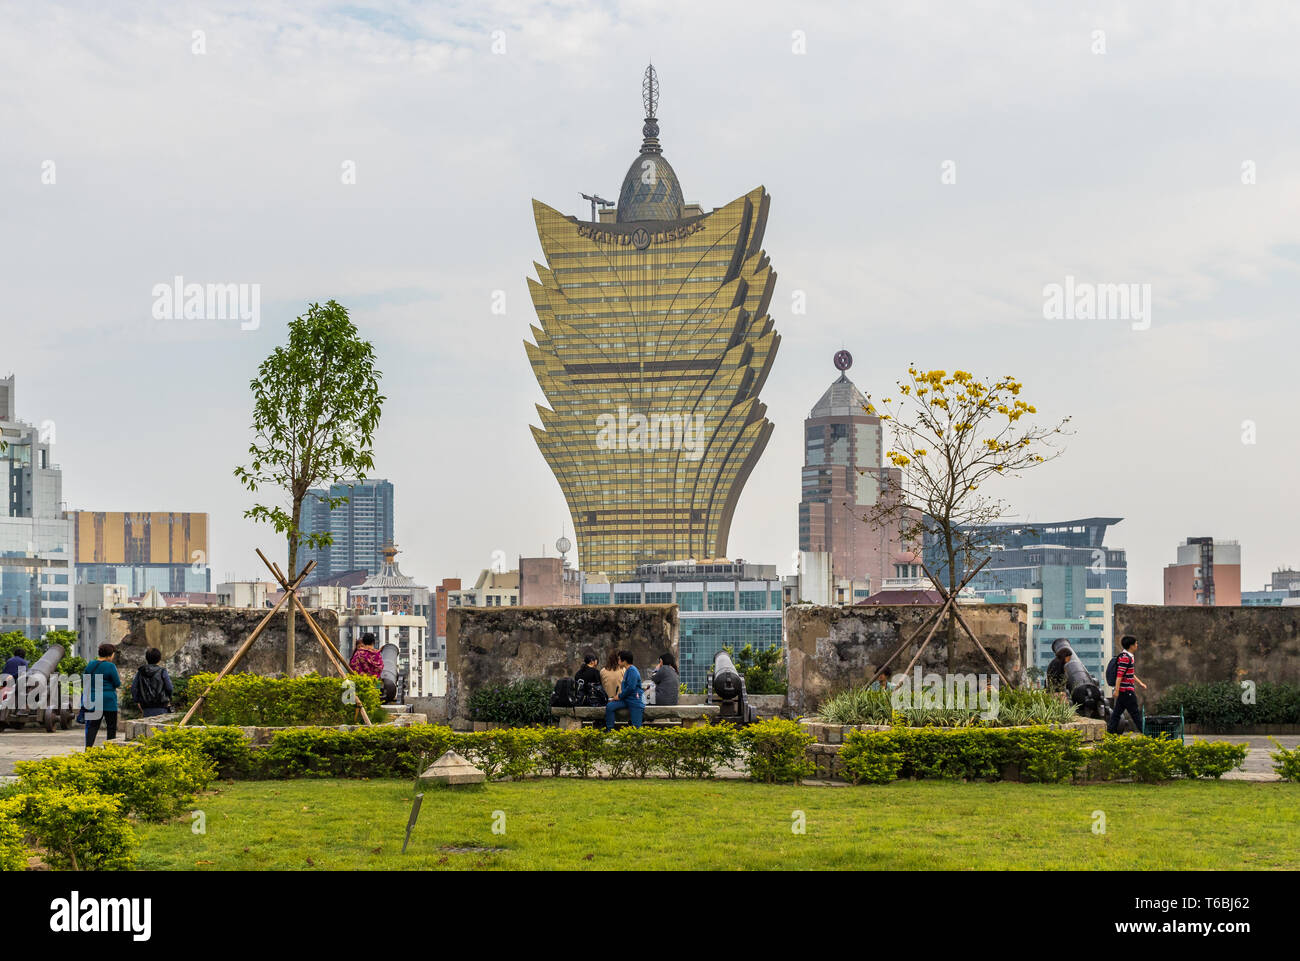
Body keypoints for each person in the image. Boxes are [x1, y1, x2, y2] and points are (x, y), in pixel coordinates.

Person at [82, 644, 122, 749]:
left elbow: (85, 682)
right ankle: (110, 750)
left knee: (93, 727)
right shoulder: (110, 666)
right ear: (109, 655)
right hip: (109, 701)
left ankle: (88, 749)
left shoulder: (90, 664)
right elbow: (117, 683)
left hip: (94, 699)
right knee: (111, 727)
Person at [1107, 634, 1147, 734]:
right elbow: (1119, 675)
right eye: (1136, 643)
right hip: (1126, 691)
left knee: (1116, 715)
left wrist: (1140, 683)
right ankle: (1148, 734)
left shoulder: (1128, 657)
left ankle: (1109, 734)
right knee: (1135, 715)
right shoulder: (1125, 658)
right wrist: (1116, 690)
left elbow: (1130, 673)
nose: (1137, 645)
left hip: (1124, 691)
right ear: (1131, 646)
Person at [604, 650, 643, 730]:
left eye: (619, 659)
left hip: (634, 700)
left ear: (624, 661)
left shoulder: (632, 671)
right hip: (626, 699)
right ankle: (610, 731)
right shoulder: (627, 670)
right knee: (610, 706)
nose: (618, 661)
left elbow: (631, 688)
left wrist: (619, 696)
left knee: (636, 727)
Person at [130, 647, 173, 717]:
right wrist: (169, 699)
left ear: (146, 658)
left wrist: (137, 701)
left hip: (146, 706)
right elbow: (169, 687)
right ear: (159, 659)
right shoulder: (162, 671)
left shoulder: (140, 672)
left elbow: (134, 688)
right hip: (161, 705)